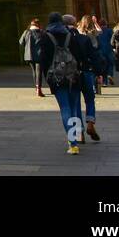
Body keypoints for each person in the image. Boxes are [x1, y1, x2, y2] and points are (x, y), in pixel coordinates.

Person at [38, 12, 88, 154]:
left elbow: (43, 60)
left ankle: (72, 143)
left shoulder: (46, 37)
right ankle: (76, 136)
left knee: (65, 108)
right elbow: (80, 55)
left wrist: (46, 77)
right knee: (74, 108)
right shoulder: (69, 35)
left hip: (57, 78)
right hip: (73, 76)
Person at [73, 15, 101, 141]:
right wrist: (100, 73)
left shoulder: (72, 37)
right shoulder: (91, 36)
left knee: (76, 102)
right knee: (90, 99)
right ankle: (90, 124)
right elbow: (96, 55)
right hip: (87, 71)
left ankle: (79, 133)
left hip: (74, 72)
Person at [19, 18, 46, 96]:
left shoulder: (26, 32)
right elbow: (45, 43)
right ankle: (39, 88)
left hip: (29, 55)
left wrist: (27, 47)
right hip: (40, 55)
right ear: (38, 24)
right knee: (39, 72)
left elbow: (21, 42)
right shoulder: (42, 33)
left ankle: (36, 87)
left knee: (34, 71)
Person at [96, 17, 115, 85]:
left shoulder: (98, 31)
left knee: (103, 66)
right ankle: (110, 75)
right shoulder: (109, 30)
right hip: (109, 49)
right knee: (110, 64)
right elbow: (113, 39)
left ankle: (104, 82)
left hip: (101, 50)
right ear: (106, 24)